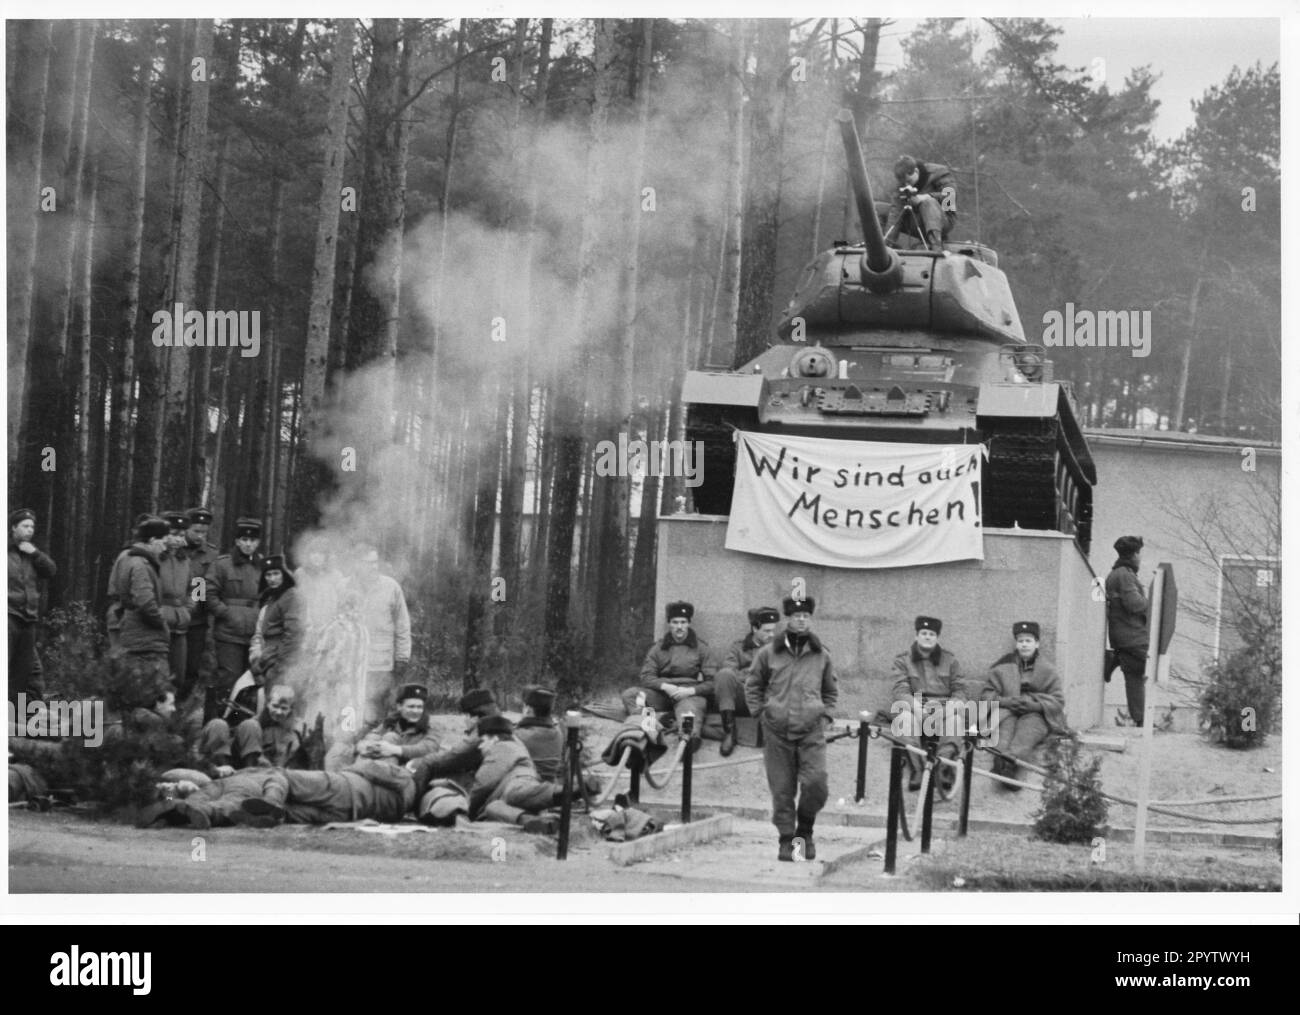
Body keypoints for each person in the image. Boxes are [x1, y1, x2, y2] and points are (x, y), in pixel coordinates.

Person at [745, 595, 837, 862]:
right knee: (782, 789)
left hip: (811, 731)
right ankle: (788, 840)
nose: (801, 620)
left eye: (806, 616)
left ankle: (805, 831)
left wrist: (826, 716)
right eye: (796, 616)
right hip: (777, 731)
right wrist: (762, 714)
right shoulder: (769, 653)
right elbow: (753, 685)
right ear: (788, 618)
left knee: (816, 784)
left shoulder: (821, 654)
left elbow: (831, 691)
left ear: (810, 618)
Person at [415, 715, 562, 827]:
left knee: (514, 795)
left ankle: (569, 792)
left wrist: (469, 811)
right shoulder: (512, 745)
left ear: (495, 738)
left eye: (483, 740)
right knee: (493, 809)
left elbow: (484, 784)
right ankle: (531, 821)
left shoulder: (503, 747)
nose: (480, 746)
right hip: (509, 794)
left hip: (518, 784)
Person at [979, 622, 1067, 787]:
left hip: (1035, 713)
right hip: (1008, 711)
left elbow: (1058, 700)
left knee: (1028, 731)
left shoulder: (1048, 670)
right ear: (1016, 644)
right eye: (1020, 641)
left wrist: (1035, 706)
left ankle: (1009, 764)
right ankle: (1001, 762)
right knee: (1004, 730)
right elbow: (986, 697)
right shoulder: (1002, 667)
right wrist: (1008, 701)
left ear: (1037, 643)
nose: (1024, 644)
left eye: (1028, 641)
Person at [620, 601, 717, 743]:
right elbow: (646, 677)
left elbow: (712, 682)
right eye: (675, 622)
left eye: (683, 622)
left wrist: (690, 691)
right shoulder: (658, 648)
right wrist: (666, 687)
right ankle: (653, 726)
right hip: (662, 694)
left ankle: (687, 739)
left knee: (688, 717)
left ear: (689, 623)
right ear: (669, 624)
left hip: (688, 696)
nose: (679, 627)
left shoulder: (701, 648)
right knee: (632, 696)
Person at [891, 616, 966, 791]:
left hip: (943, 709)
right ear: (916, 636)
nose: (927, 637)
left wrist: (946, 710)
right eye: (923, 633)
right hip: (915, 707)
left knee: (955, 721)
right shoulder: (903, 660)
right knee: (903, 719)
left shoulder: (951, 661)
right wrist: (918, 710)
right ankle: (918, 769)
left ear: (937, 637)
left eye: (931, 634)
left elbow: (960, 691)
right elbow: (900, 691)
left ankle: (942, 769)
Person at [206, 517, 264, 719]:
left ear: (258, 543)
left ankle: (241, 724)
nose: (248, 544)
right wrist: (226, 614)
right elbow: (207, 594)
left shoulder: (263, 566)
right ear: (237, 541)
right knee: (228, 679)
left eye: (253, 540)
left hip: (254, 634)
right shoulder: (222, 565)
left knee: (250, 681)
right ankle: (216, 721)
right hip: (228, 633)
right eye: (244, 540)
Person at [351, 543, 412, 726]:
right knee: (351, 706)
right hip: (351, 663)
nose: (373, 566)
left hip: (381, 663)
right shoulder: (344, 586)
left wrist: (402, 657)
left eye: (375, 562)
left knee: (378, 709)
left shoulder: (391, 587)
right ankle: (348, 744)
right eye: (368, 562)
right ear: (357, 564)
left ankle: (377, 745)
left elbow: (403, 625)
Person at [193, 683, 307, 775]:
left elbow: (281, 764)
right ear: (267, 704)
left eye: (284, 708)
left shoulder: (291, 735)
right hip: (224, 760)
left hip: (258, 770)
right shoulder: (256, 723)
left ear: (291, 709)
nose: (278, 712)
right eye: (275, 706)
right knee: (219, 724)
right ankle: (220, 769)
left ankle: (250, 774)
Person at [324, 683, 438, 772]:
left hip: (404, 772)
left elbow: (428, 748)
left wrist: (393, 749)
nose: (416, 711)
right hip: (376, 765)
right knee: (339, 749)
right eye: (411, 707)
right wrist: (362, 745)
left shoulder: (428, 727)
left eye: (419, 707)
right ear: (399, 707)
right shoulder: (390, 723)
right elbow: (371, 736)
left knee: (390, 737)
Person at [715, 606, 780, 756]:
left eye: (773, 630)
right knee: (724, 675)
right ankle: (729, 732)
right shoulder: (738, 647)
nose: (771, 635)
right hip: (743, 697)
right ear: (754, 628)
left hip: (766, 700)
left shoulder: (779, 649)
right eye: (767, 631)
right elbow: (729, 670)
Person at [7, 508, 56, 702]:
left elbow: (51, 570)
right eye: (25, 526)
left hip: (28, 617)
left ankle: (10, 714)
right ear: (13, 528)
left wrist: (35, 553)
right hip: (8, 614)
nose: (30, 530)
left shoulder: (31, 553)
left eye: (32, 526)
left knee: (22, 670)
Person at [1106, 535, 1150, 726]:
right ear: (1132, 555)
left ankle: (1141, 719)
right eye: (1139, 553)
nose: (1140, 557)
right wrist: (1151, 604)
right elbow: (1134, 604)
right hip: (1131, 636)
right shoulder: (1124, 575)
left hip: (1126, 636)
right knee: (1140, 672)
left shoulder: (1119, 573)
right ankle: (1140, 719)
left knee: (1135, 675)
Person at [181, 507, 221, 698]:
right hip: (174, 618)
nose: (200, 536)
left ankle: (183, 707)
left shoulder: (212, 555)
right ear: (186, 529)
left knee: (192, 667)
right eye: (196, 531)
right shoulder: (175, 549)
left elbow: (208, 586)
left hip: (197, 622)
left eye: (204, 532)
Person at [249, 555, 302, 688]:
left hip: (281, 659)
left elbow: (293, 634)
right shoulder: (272, 598)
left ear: (284, 574)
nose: (272, 579)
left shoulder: (290, 596)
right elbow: (260, 631)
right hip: (267, 656)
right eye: (268, 575)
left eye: (276, 573)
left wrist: (280, 666)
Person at [884, 154, 957, 252]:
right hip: (916, 221)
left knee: (928, 202)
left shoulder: (939, 173)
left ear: (916, 171)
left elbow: (950, 199)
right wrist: (888, 241)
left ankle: (936, 247)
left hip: (943, 220)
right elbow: (895, 214)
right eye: (903, 183)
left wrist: (927, 197)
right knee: (877, 209)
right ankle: (883, 246)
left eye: (909, 181)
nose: (906, 185)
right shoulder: (901, 185)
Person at [158, 511, 194, 698]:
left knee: (178, 674)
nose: (178, 539)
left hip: (181, 624)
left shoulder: (185, 559)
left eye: (181, 535)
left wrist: (189, 608)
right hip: (158, 622)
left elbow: (196, 586)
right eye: (173, 534)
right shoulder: (155, 557)